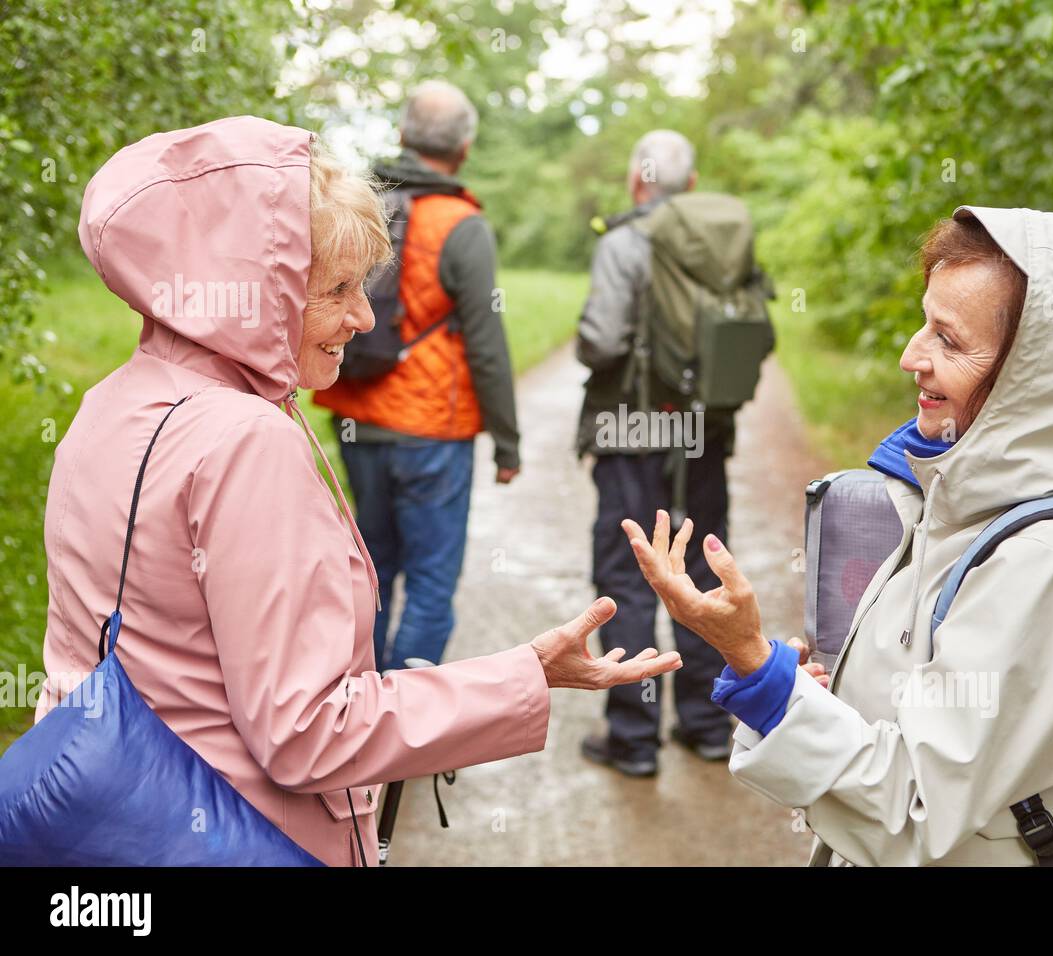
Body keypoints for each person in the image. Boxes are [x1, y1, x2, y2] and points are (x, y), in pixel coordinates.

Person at [36, 115, 680, 867]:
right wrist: (523, 675)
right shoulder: (247, 441)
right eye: (337, 289)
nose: (363, 317)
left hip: (102, 825)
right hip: (237, 834)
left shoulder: (107, 405)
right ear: (250, 291)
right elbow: (307, 734)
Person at [623, 206, 1053, 865]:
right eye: (924, 326)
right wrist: (817, 697)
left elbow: (911, 810)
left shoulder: (1051, 559)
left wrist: (757, 670)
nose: (912, 356)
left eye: (950, 341)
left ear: (1045, 381)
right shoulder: (975, 502)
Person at [314, 80, 517, 671]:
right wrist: (507, 439)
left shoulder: (361, 204)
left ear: (402, 135)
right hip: (433, 430)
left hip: (358, 421)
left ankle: (358, 715)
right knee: (430, 584)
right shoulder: (462, 223)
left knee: (372, 572)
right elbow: (486, 341)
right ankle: (402, 739)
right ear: (465, 149)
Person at [575, 130, 742, 777]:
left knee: (630, 574)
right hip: (704, 436)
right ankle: (706, 725)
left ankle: (634, 740)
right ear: (692, 186)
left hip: (631, 434)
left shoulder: (622, 243)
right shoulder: (721, 244)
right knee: (701, 571)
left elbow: (600, 342)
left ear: (635, 181)